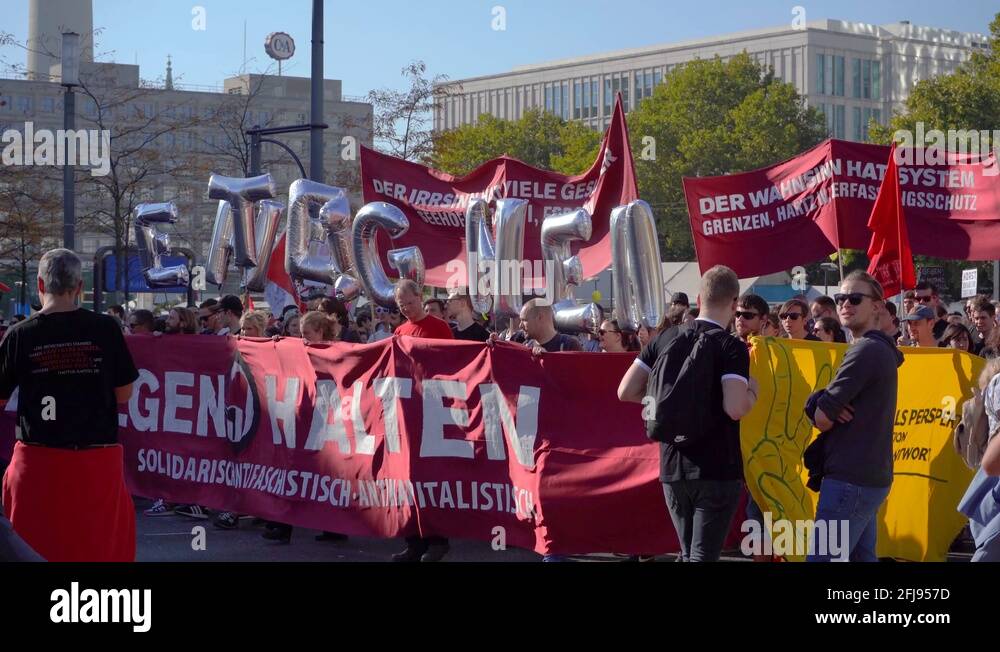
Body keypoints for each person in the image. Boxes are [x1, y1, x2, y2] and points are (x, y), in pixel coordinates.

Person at [0, 249, 139, 561]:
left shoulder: (19, 334)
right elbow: (123, 395)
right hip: (95, 466)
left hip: (38, 464)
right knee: (98, 550)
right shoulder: (106, 329)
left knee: (31, 547)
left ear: (39, 284)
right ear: (80, 287)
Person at [618, 265, 759, 562]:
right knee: (701, 557)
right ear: (734, 304)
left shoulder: (665, 338)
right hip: (717, 467)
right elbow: (734, 408)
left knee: (688, 553)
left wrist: (671, 401)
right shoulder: (731, 346)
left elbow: (626, 391)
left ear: (698, 298)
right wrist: (752, 392)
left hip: (672, 466)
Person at [806, 270, 903, 562]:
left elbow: (822, 418)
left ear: (876, 306)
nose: (845, 304)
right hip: (866, 477)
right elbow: (825, 410)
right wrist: (821, 402)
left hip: (851, 479)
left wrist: (816, 402)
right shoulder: (876, 349)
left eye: (855, 298)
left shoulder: (866, 350)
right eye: (840, 298)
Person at [391, 280, 454, 563]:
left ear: (420, 297)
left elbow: (453, 363)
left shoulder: (439, 328)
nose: (406, 308)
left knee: (432, 477)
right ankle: (413, 542)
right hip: (408, 410)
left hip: (433, 407)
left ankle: (438, 540)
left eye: (410, 302)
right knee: (406, 477)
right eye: (401, 304)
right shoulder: (399, 331)